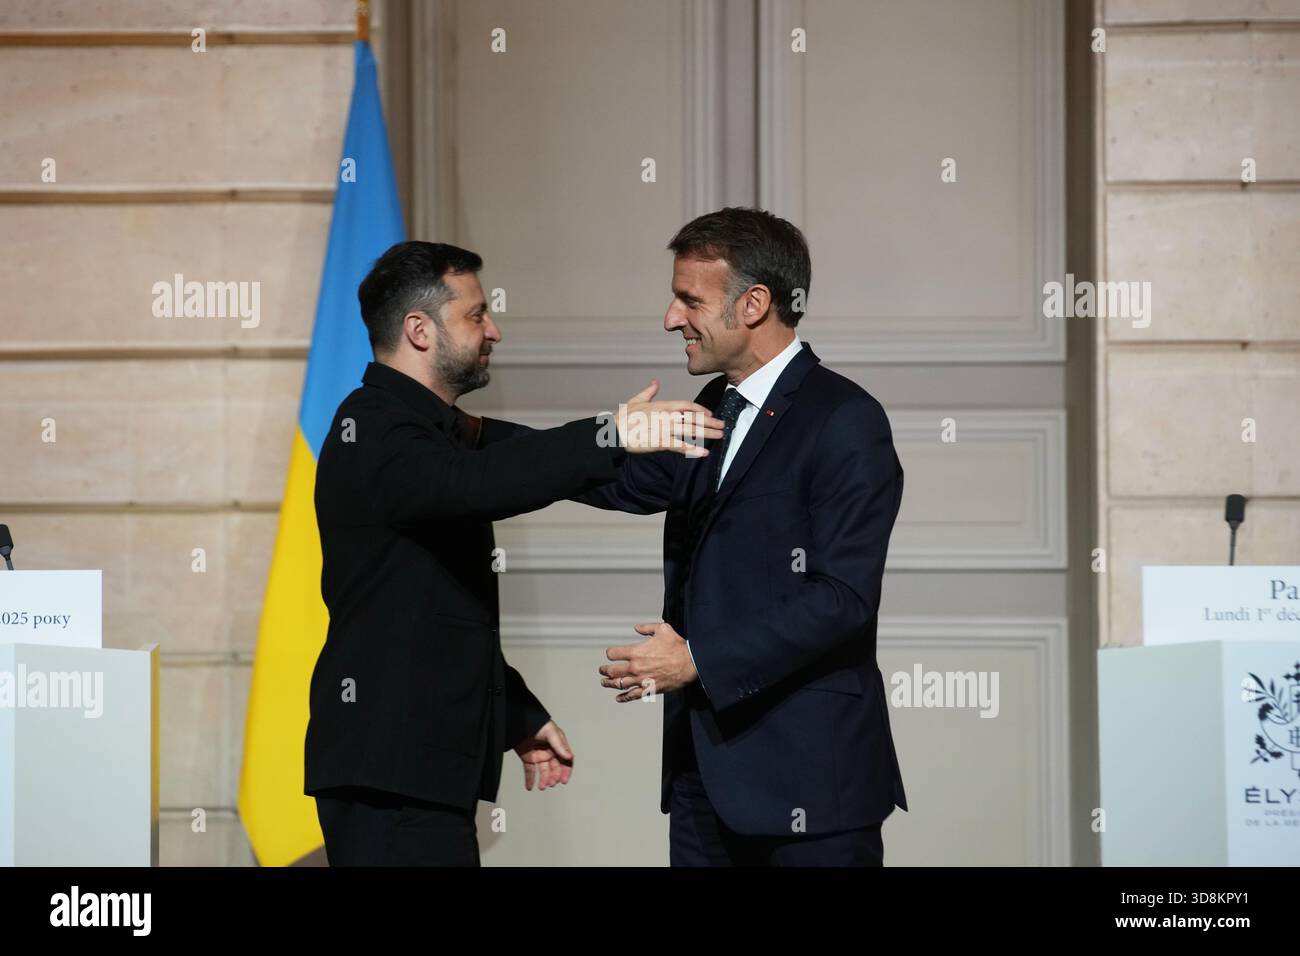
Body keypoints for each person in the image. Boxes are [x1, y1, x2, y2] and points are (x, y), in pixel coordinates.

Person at [304, 240, 722, 866]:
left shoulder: (426, 434)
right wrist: (613, 431)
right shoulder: (373, 430)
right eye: (476, 315)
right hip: (388, 774)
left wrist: (516, 712)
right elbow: (476, 484)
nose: (494, 329)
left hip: (411, 771)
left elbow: (431, 604)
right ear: (419, 330)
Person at [586, 207, 908, 866]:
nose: (671, 319)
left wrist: (695, 660)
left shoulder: (845, 419)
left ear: (754, 304)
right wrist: (462, 436)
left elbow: (841, 597)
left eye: (689, 300)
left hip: (812, 790)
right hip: (702, 787)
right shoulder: (706, 411)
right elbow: (612, 482)